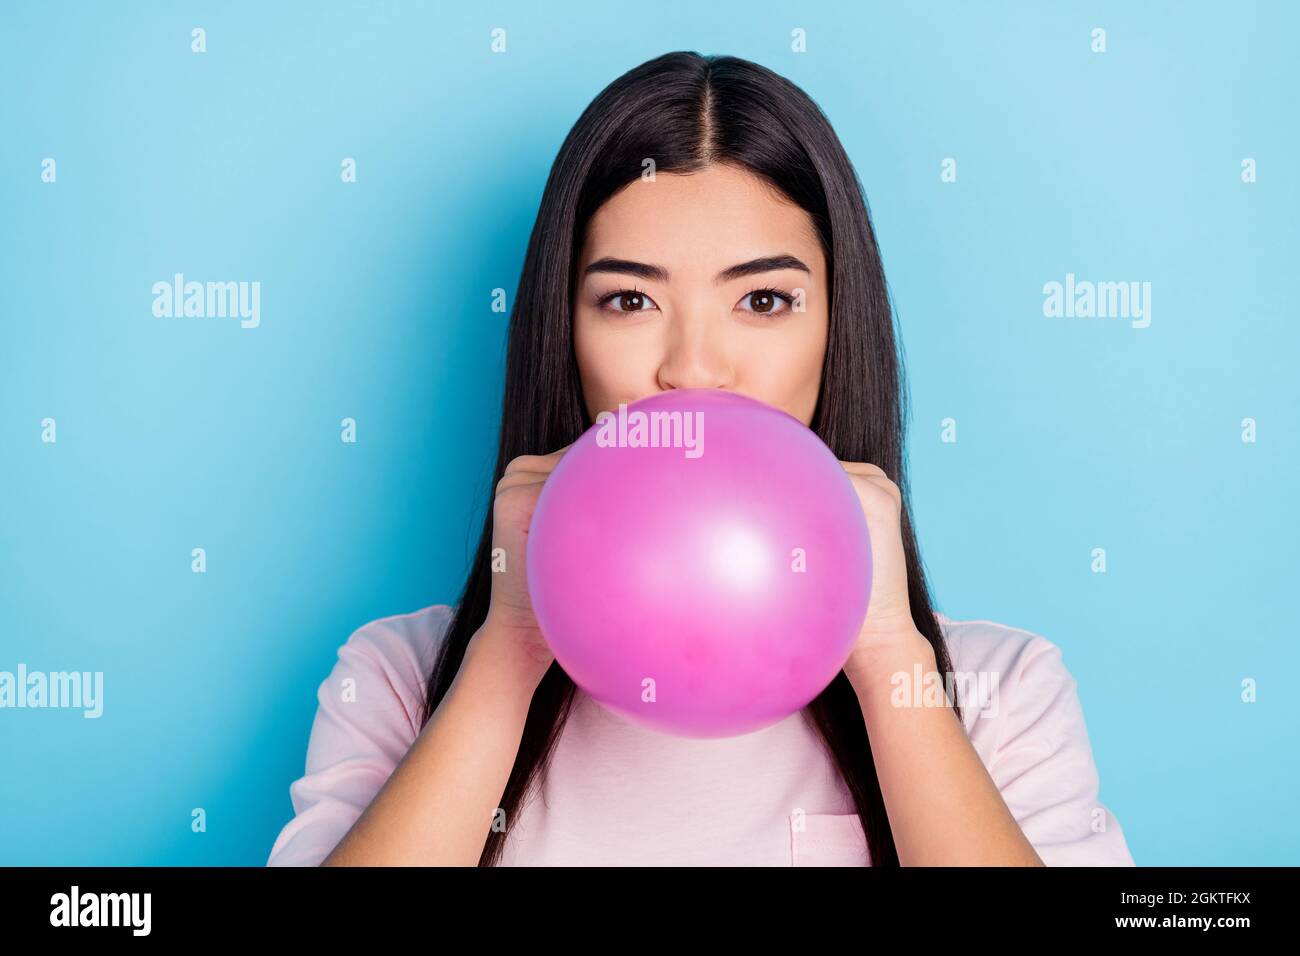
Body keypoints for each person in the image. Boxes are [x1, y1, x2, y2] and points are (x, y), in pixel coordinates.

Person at [267, 51, 1134, 867]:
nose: (692, 369)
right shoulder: (397, 679)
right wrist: (509, 650)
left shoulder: (1000, 692)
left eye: (763, 299)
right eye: (629, 298)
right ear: (563, 332)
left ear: (838, 330)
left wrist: (891, 665)